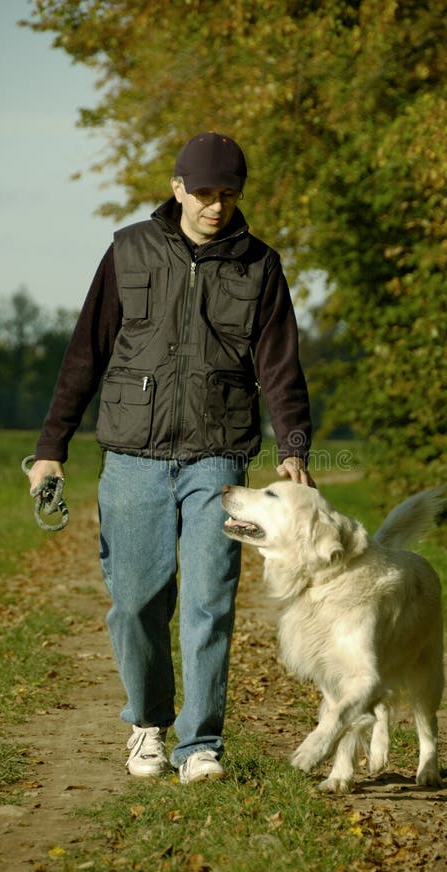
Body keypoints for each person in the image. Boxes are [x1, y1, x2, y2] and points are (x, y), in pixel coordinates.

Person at [27, 131, 312, 784]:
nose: (216, 206)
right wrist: (51, 448)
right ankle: (148, 726)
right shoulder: (129, 250)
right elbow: (85, 353)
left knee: (210, 600)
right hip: (132, 453)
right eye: (206, 193)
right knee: (135, 603)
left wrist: (293, 447)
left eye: (229, 194)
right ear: (177, 188)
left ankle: (200, 745)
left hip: (217, 456)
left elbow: (279, 368)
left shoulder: (259, 266)